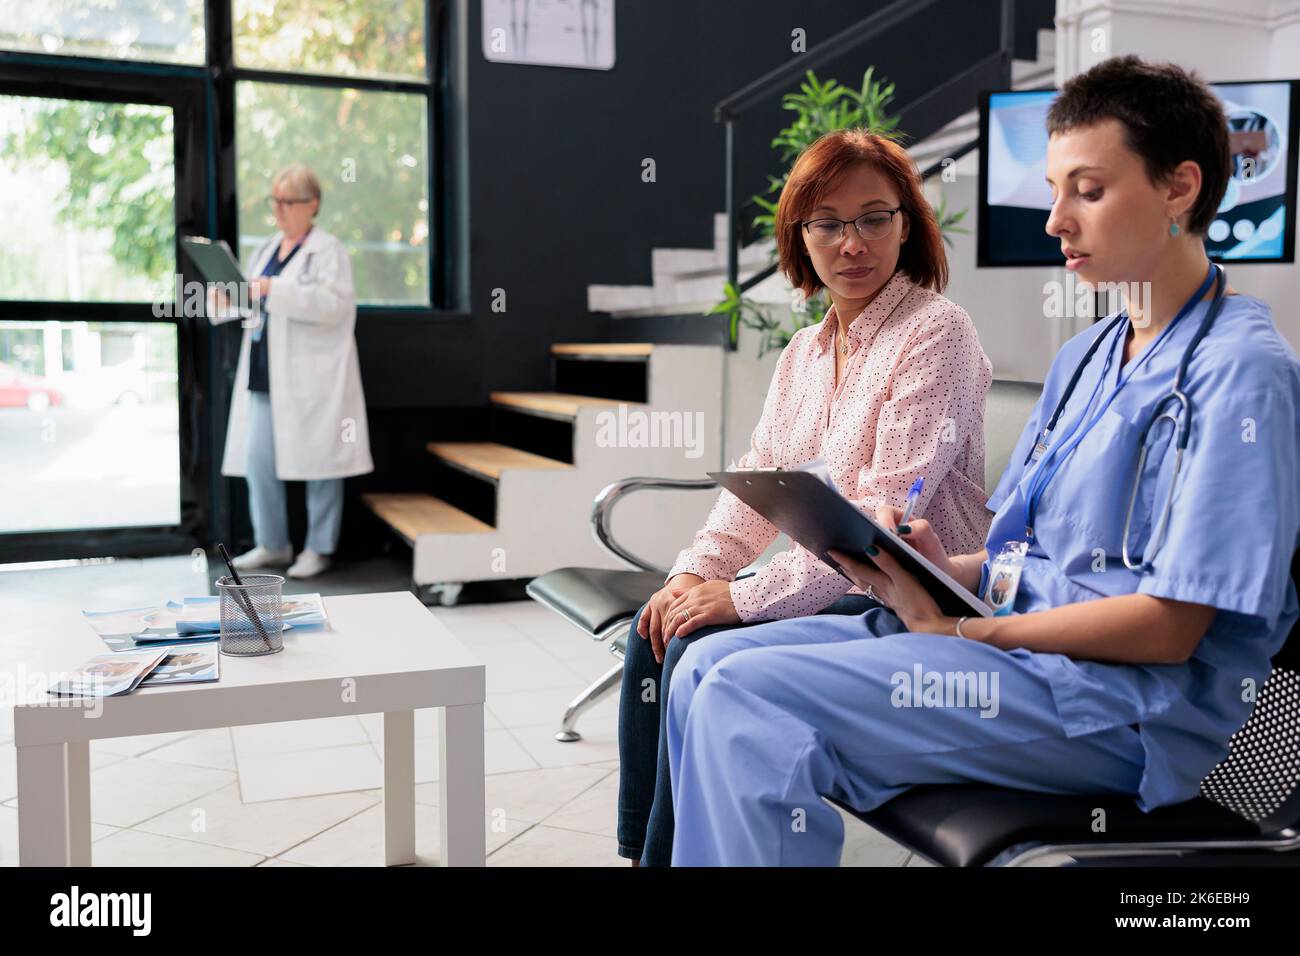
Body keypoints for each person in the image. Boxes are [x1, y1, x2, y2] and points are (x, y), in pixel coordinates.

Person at [663, 55, 1300, 866]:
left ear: (1179, 188)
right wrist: (938, 564)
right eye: (1054, 190)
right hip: (1020, 650)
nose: (1055, 221)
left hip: (1120, 704)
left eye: (1089, 191)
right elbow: (1031, 552)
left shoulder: (1242, 375)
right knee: (704, 666)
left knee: (747, 700)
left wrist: (972, 630)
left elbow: (1172, 627)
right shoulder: (1091, 356)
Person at [618, 129, 994, 865]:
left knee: (696, 639)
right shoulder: (804, 350)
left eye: (873, 218)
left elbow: (885, 514)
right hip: (829, 577)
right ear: (801, 236)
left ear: (907, 224)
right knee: (655, 626)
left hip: (907, 589)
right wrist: (697, 573)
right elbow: (761, 477)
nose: (851, 243)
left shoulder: (936, 331)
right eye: (827, 223)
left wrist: (748, 599)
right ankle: (644, 855)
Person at [207, 164, 373, 579]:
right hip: (266, 374)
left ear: (312, 205)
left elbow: (335, 307)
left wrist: (272, 289)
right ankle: (273, 543)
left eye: (288, 202)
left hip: (312, 379)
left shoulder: (328, 250)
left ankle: (319, 547)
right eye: (275, 201)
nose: (279, 210)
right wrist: (230, 297)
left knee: (322, 463)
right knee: (258, 460)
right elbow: (255, 302)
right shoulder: (266, 249)